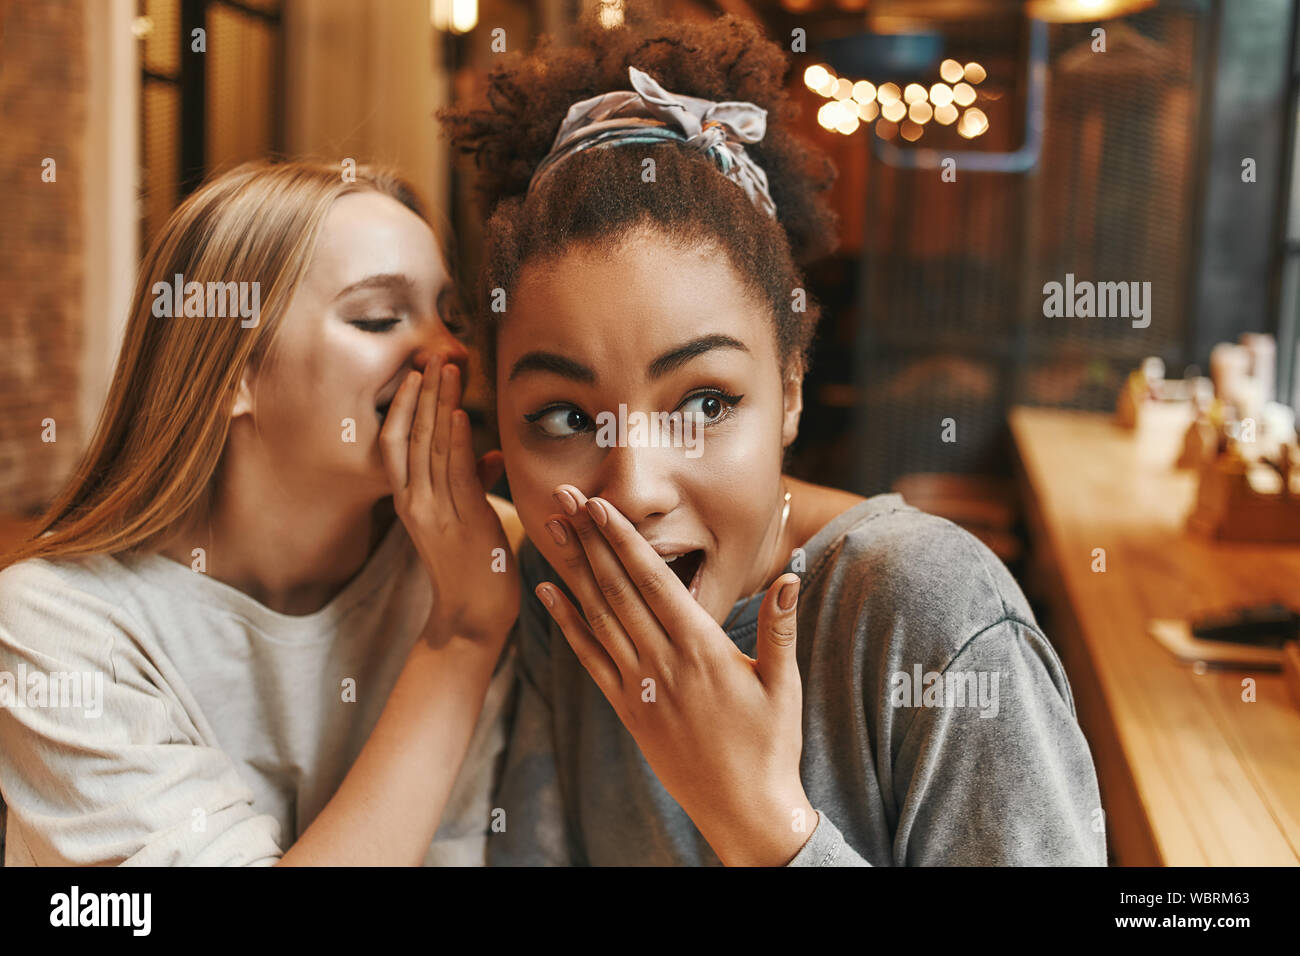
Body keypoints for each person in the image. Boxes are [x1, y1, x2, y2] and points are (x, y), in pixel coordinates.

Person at [442, 11, 1107, 866]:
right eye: (567, 418)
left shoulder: (929, 616)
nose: (635, 490)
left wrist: (763, 827)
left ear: (790, 391)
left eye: (707, 403)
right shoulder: (553, 599)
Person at [0, 161, 520, 865]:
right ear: (233, 375)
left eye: (448, 316)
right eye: (377, 317)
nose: (449, 351)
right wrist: (462, 634)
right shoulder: (55, 629)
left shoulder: (490, 555)